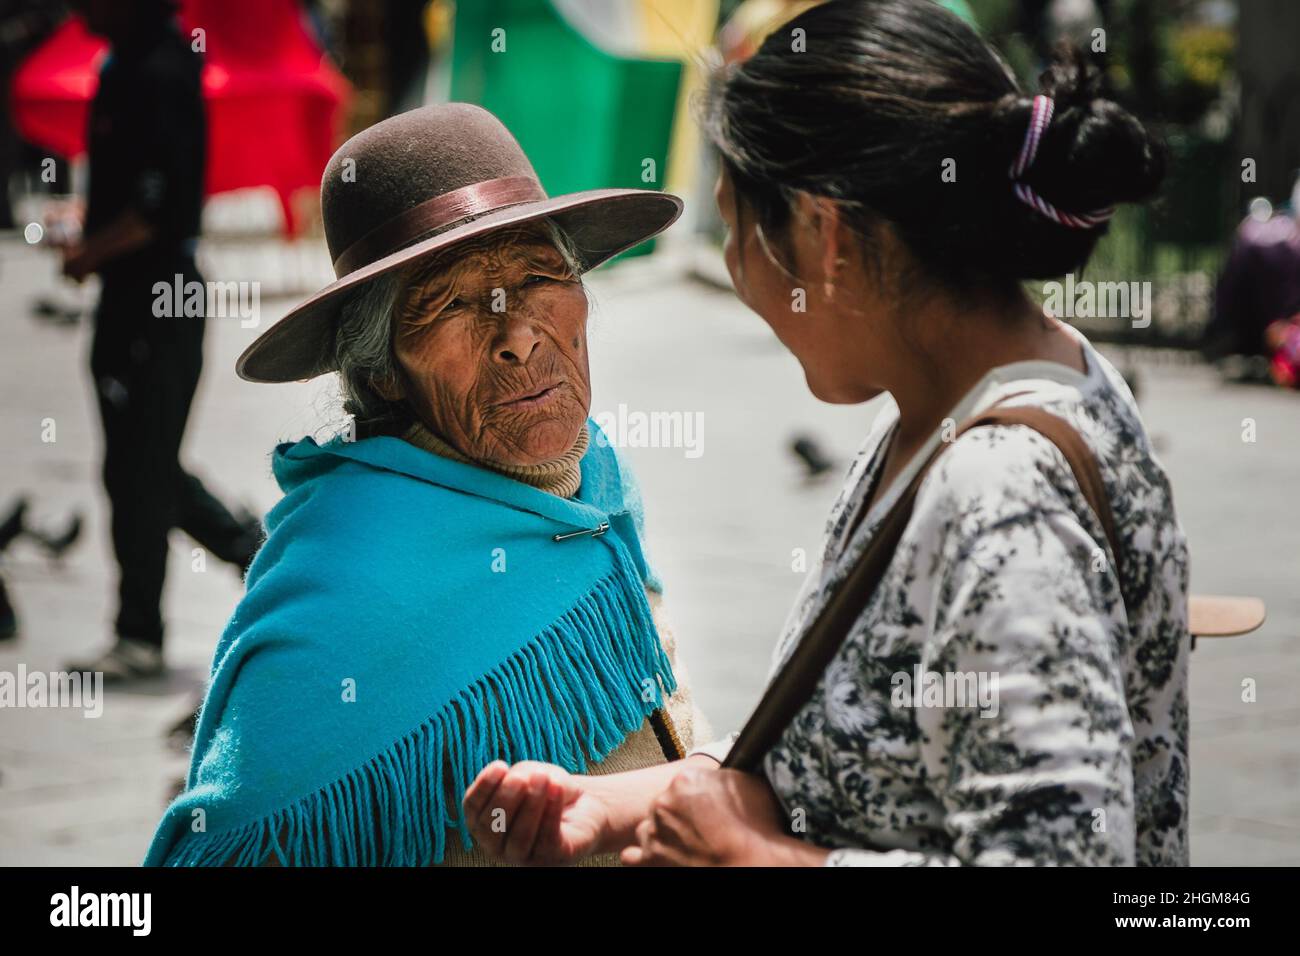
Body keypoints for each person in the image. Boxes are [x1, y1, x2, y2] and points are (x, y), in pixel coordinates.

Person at [464, 0, 1190, 867]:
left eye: (737, 230)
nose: (737, 275)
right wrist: (618, 802)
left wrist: (748, 855)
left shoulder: (1002, 492)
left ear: (824, 232)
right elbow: (860, 736)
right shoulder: (950, 413)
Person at [144, 103, 705, 866]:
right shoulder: (346, 585)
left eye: (539, 275)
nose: (517, 336)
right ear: (380, 369)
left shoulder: (594, 483)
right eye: (450, 303)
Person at [61, 0, 260, 681]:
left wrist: (91, 253)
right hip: (127, 302)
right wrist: (85, 224)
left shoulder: (160, 72)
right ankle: (260, 559)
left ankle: (142, 633)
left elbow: (160, 207)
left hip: (159, 301)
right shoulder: (120, 66)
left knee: (143, 469)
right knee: (137, 469)